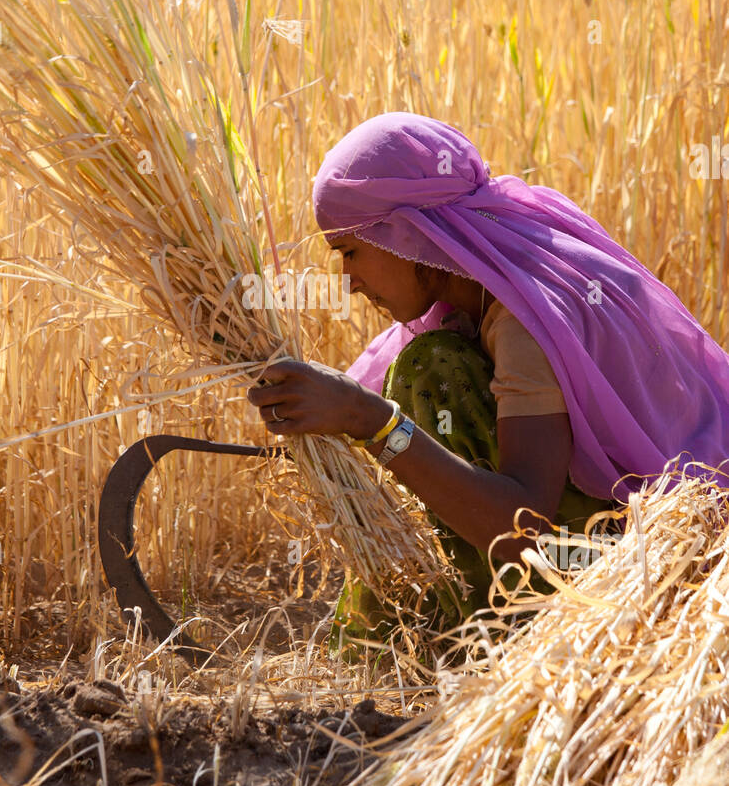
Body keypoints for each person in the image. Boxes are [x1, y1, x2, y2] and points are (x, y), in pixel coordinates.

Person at [247, 114, 729, 646]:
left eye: (350, 251)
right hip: (629, 549)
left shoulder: (526, 319)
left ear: (410, 234)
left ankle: (503, 641)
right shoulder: (478, 295)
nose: (348, 281)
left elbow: (522, 526)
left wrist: (371, 420)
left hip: (639, 577)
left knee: (430, 371)